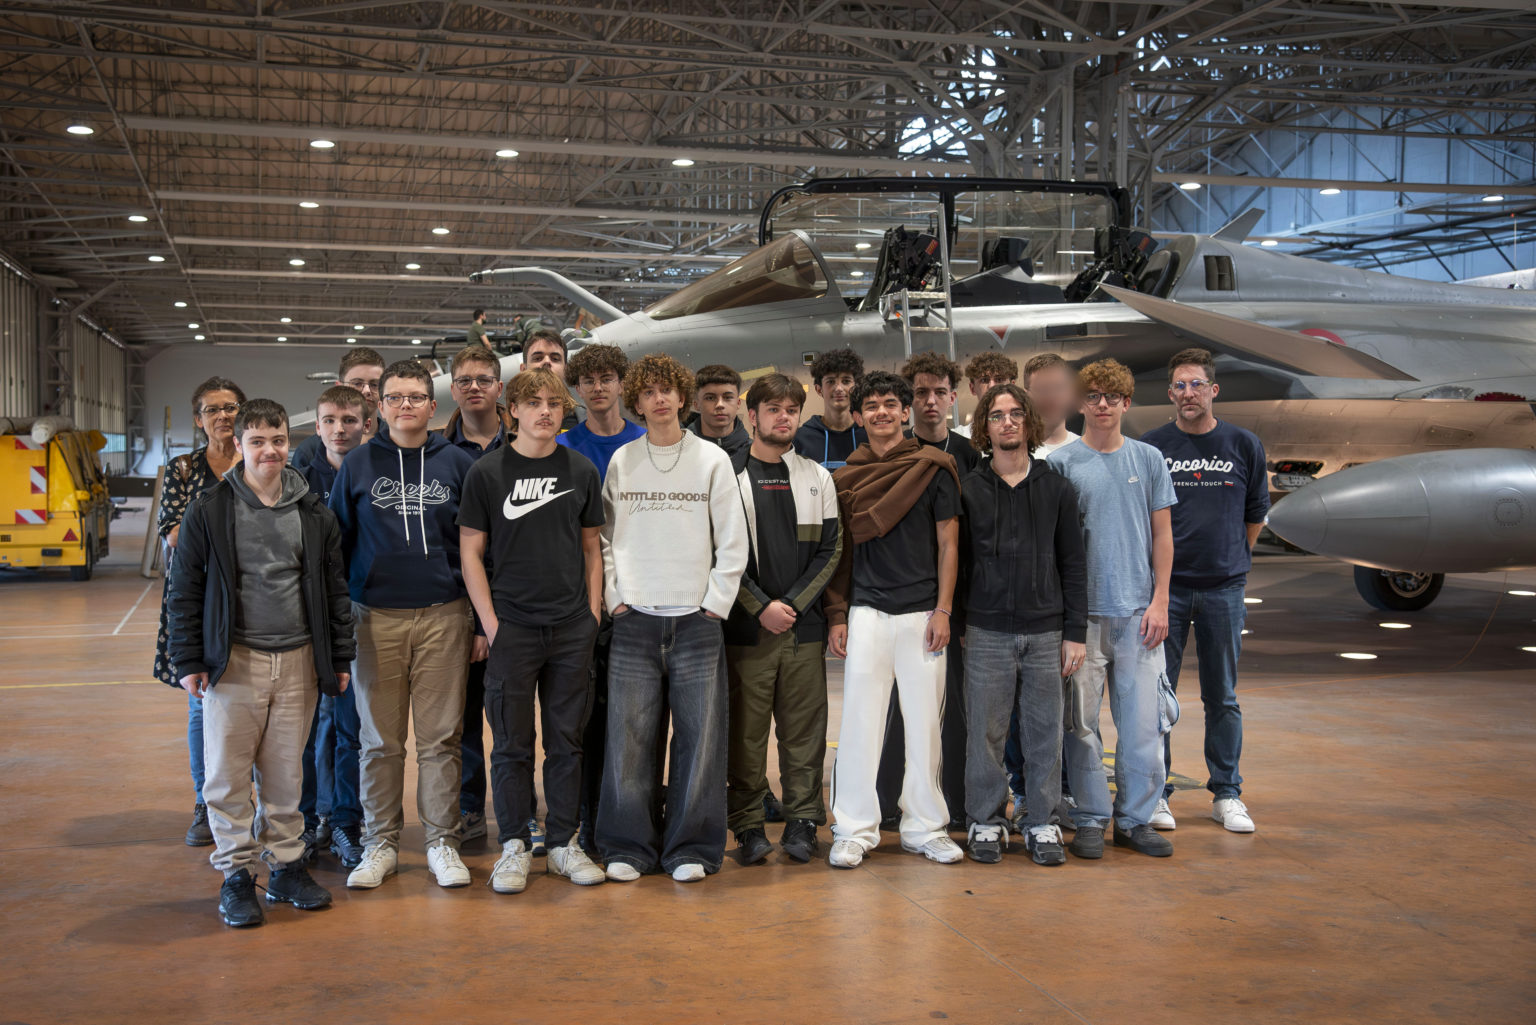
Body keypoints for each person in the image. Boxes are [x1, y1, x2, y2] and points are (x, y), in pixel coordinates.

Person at [166, 398, 355, 928]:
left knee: (285, 777)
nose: (269, 450)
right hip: (235, 662)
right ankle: (235, 876)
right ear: (240, 446)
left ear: (288, 443)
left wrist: (338, 654)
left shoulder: (313, 513)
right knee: (225, 780)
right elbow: (185, 589)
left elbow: (333, 591)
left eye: (277, 440)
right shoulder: (211, 508)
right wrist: (187, 658)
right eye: (257, 441)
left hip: (298, 661)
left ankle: (288, 867)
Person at [598, 353, 749, 884]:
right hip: (635, 618)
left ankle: (690, 849)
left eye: (668, 391)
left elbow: (733, 540)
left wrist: (715, 603)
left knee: (700, 740)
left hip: (697, 621)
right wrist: (615, 599)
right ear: (636, 402)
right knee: (629, 739)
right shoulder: (622, 462)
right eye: (648, 392)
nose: (659, 400)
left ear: (682, 398)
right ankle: (627, 846)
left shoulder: (711, 460)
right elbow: (604, 539)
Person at [329, 360, 478, 890]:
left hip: (444, 616)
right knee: (379, 742)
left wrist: (478, 622)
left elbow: (478, 548)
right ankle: (380, 843)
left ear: (433, 406)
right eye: (395, 397)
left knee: (440, 739)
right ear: (380, 406)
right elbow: (337, 545)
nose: (406, 405)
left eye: (416, 396)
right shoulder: (358, 465)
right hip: (375, 620)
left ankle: (441, 841)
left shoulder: (458, 463)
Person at [459, 368, 607, 892]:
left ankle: (564, 843)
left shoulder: (582, 470)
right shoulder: (487, 472)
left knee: (567, 743)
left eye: (554, 403)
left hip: (571, 629)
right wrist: (493, 625)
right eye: (534, 403)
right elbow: (471, 553)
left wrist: (591, 614)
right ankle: (516, 844)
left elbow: (592, 550)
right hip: (513, 630)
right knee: (511, 745)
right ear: (513, 411)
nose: (546, 411)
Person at [823, 370, 962, 869]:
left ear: (905, 412)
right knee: (859, 723)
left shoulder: (934, 466)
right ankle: (853, 829)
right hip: (865, 613)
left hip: (923, 613)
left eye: (890, 404)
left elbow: (949, 543)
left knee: (926, 726)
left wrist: (943, 609)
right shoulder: (842, 478)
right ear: (858, 417)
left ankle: (925, 827)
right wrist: (837, 614)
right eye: (872, 406)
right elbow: (837, 555)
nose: (881, 412)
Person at [1047, 358, 1178, 859]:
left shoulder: (1148, 460)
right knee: (1080, 726)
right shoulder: (1061, 465)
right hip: (1083, 619)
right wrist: (1066, 622)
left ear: (1126, 403)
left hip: (1139, 618)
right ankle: (1091, 818)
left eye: (1112, 397)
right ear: (1080, 403)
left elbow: (1163, 535)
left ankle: (1135, 819)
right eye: (1093, 396)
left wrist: (1160, 599)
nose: (1102, 405)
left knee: (1144, 726)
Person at [958, 383, 1087, 866]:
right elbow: (959, 563)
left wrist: (1075, 631)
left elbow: (1074, 564)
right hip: (987, 631)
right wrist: (964, 621)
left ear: (1028, 424)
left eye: (1015, 414)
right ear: (984, 427)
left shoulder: (1055, 487)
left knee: (1044, 733)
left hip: (1046, 631)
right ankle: (986, 820)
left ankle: (1042, 821)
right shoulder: (970, 489)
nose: (1006, 422)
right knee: (985, 733)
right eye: (996, 415)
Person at [1141, 348, 1268, 834]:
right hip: (1165, 592)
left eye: (1196, 384)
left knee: (1223, 697)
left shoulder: (1243, 444)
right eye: (1179, 386)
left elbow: (1255, 513)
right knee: (1158, 697)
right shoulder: (1153, 447)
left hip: (1223, 590)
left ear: (1214, 390)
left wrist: (1234, 558)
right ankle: (1157, 794)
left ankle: (1227, 793)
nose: (1187, 393)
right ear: (1170, 393)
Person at [724, 373, 842, 865]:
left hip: (801, 631)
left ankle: (801, 822)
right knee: (746, 736)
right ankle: (749, 826)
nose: (783, 417)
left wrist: (789, 606)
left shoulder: (817, 477)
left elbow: (831, 551)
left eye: (791, 409)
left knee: (804, 733)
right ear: (752, 417)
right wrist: (760, 607)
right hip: (746, 631)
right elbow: (721, 553)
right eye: (772, 409)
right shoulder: (727, 475)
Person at [558, 343, 646, 852]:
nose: (598, 387)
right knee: (586, 718)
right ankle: (587, 819)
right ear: (577, 388)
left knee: (637, 719)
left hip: (641, 595)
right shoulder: (565, 446)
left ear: (620, 383)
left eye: (607, 377)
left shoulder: (645, 440)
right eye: (588, 380)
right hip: (585, 596)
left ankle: (633, 813)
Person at [154, 375, 245, 849]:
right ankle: (204, 804)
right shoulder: (183, 470)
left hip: (252, 598)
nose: (223, 416)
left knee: (251, 706)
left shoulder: (258, 458)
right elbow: (171, 533)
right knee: (201, 705)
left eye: (230, 407)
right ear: (199, 419)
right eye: (212, 409)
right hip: (198, 598)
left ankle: (245, 804)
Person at [438, 344, 515, 848]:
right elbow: (452, 546)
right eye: (464, 380)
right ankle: (468, 809)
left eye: (483, 379)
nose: (473, 387)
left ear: (499, 387)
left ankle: (522, 812)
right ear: (452, 387)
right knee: (462, 722)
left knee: (517, 723)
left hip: (521, 611)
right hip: (463, 612)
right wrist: (473, 620)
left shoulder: (531, 444)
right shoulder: (437, 455)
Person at [898, 351, 978, 828]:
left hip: (960, 603)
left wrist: (960, 610)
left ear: (954, 397)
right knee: (901, 711)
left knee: (959, 711)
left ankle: (962, 805)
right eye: (920, 393)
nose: (930, 401)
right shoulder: (899, 453)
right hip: (906, 599)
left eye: (938, 392)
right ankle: (894, 801)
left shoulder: (969, 456)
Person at [296, 385, 371, 868]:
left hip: (359, 616)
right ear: (317, 425)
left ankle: (345, 821)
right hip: (308, 621)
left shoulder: (378, 472)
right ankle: (305, 822)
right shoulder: (298, 481)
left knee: (349, 729)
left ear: (366, 423)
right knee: (303, 731)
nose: (339, 429)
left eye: (348, 420)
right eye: (329, 420)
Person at [290, 347, 388, 471]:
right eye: (357, 383)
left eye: (374, 385)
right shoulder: (309, 451)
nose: (367, 390)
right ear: (339, 386)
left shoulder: (396, 443)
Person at [793, 348, 864, 470]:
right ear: (819, 389)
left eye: (846, 381)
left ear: (856, 387)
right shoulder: (801, 438)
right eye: (831, 382)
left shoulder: (868, 435)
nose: (839, 388)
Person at [686, 364, 751, 460]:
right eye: (710, 398)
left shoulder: (755, 455)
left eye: (728, 397)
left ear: (738, 403)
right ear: (696, 405)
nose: (720, 404)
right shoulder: (681, 454)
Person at [521, 328, 580, 431]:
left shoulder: (582, 420)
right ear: (523, 369)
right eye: (538, 358)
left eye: (555, 359)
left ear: (565, 370)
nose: (547, 362)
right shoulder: (508, 418)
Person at [1023, 353, 1081, 458]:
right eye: (1042, 389)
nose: (1051, 397)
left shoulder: (1086, 451)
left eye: (1058, 388)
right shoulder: (1013, 451)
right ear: (1026, 394)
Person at [953, 352, 1019, 439]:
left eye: (999, 379)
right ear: (972, 388)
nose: (991, 386)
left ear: (1012, 386)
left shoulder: (1026, 434)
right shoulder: (959, 437)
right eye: (984, 380)